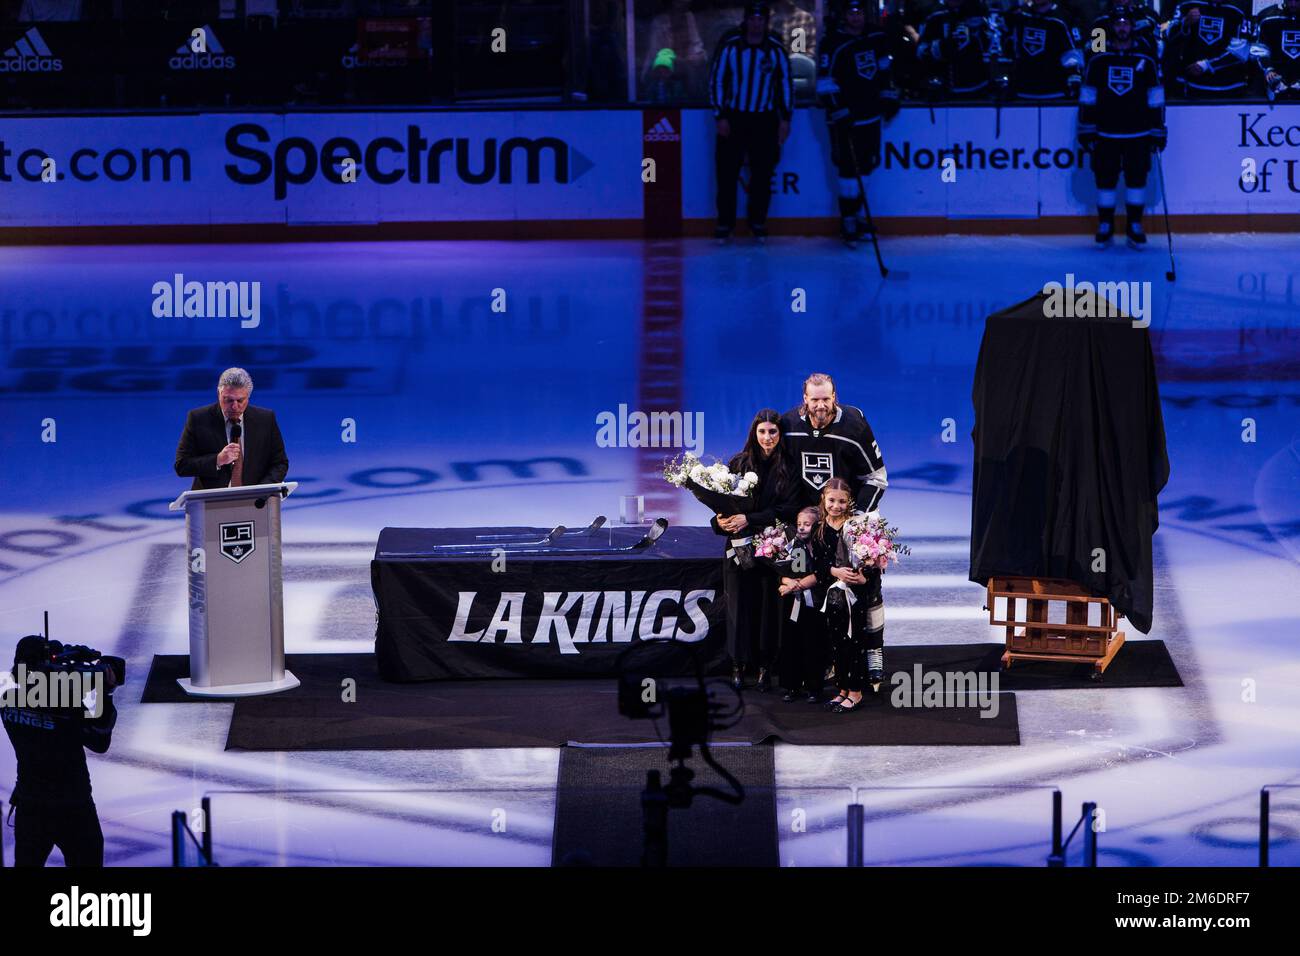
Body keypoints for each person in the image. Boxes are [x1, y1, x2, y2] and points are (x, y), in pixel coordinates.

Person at [2, 636, 117, 866]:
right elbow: (100, 741)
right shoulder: (67, 704)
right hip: (73, 807)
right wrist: (105, 694)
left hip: (30, 805)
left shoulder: (7, 700)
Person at [712, 409, 801, 691]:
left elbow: (788, 510)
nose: (767, 437)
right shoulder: (737, 463)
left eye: (772, 432)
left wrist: (749, 519)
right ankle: (738, 665)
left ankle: (766, 666)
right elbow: (721, 506)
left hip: (772, 549)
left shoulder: (790, 466)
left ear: (780, 434)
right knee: (738, 608)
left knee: (769, 608)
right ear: (753, 433)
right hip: (738, 549)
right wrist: (720, 521)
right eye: (762, 432)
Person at [708, 1, 795, 243]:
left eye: (761, 20)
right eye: (753, 19)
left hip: (764, 121)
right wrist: (720, 115)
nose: (756, 24)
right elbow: (715, 81)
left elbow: (785, 84)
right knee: (726, 175)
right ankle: (725, 223)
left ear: (767, 22)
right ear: (745, 20)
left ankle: (758, 222)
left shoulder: (776, 49)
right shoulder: (730, 47)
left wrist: (785, 119)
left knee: (763, 176)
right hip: (734, 118)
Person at [1077, 12, 1166, 248]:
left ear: (1133, 27)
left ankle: (1134, 225)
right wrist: (1086, 128)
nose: (1122, 28)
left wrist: (1158, 129)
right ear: (1111, 27)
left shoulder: (1145, 60)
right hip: (1106, 132)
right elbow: (1088, 96)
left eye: (1126, 24)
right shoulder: (1098, 60)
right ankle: (1105, 225)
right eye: (1118, 24)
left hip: (1138, 132)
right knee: (1105, 179)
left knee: (1136, 179)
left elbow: (1156, 97)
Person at [817, 0, 902, 247]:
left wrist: (888, 97)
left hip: (870, 116)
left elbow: (884, 71)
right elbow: (824, 82)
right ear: (844, 16)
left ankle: (855, 214)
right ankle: (848, 220)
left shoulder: (876, 37)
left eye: (860, 13)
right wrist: (839, 110)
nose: (856, 18)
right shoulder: (832, 42)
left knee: (867, 166)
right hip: (846, 119)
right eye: (852, 13)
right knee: (847, 170)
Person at [810, 479, 887, 711]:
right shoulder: (819, 529)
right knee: (837, 644)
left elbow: (873, 563)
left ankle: (855, 691)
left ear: (849, 502)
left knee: (854, 643)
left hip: (856, 595)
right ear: (824, 499)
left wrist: (864, 577)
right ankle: (842, 688)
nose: (836, 506)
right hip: (832, 597)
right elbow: (818, 564)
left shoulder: (857, 527)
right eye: (832, 500)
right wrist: (833, 570)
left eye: (842, 501)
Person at [780, 372, 889, 512]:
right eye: (815, 400)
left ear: (833, 397)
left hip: (848, 510)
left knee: (864, 530)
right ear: (805, 399)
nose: (821, 405)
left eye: (826, 399)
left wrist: (859, 516)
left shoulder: (854, 426)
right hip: (804, 515)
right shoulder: (788, 426)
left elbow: (876, 477)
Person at [174, 367, 289, 490]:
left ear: (248, 397)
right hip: (210, 501)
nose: (234, 406)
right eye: (228, 400)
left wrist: (261, 491)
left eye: (240, 400)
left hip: (255, 502)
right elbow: (182, 465)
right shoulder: (198, 419)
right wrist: (218, 460)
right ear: (219, 393)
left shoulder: (265, 419)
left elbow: (280, 464)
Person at [776, 506, 828, 702]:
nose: (802, 528)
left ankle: (814, 687)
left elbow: (822, 574)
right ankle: (791, 685)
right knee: (791, 644)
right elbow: (781, 571)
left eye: (807, 524)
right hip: (792, 603)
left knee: (813, 644)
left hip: (813, 603)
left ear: (817, 525)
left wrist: (797, 585)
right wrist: (786, 582)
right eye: (799, 524)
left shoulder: (822, 546)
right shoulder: (791, 546)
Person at [1162, 1, 1252, 98]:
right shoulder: (1186, 3)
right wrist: (1185, 23)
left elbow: (1242, 50)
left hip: (1230, 87)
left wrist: (1207, 65)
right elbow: (1167, 34)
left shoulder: (1240, 7)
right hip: (1192, 86)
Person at [1005, 0, 1085, 99]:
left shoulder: (1063, 19)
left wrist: (1074, 79)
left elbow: (1072, 54)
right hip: (1022, 91)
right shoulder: (1020, 16)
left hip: (1055, 93)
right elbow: (1013, 50)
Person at [917, 0, 997, 97]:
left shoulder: (981, 18)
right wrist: (943, 47)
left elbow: (993, 50)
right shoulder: (935, 18)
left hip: (978, 89)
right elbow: (921, 52)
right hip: (942, 90)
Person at [1251, 0, 1300, 99]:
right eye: (1291, 1)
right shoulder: (1268, 17)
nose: (1293, 4)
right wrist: (1268, 69)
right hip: (1275, 85)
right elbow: (1259, 49)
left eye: (1297, 1)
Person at [1086, 0, 1161, 61]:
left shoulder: (1148, 19)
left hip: (1140, 69)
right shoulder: (1100, 21)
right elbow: (1096, 55)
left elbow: (1156, 50)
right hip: (1108, 68)